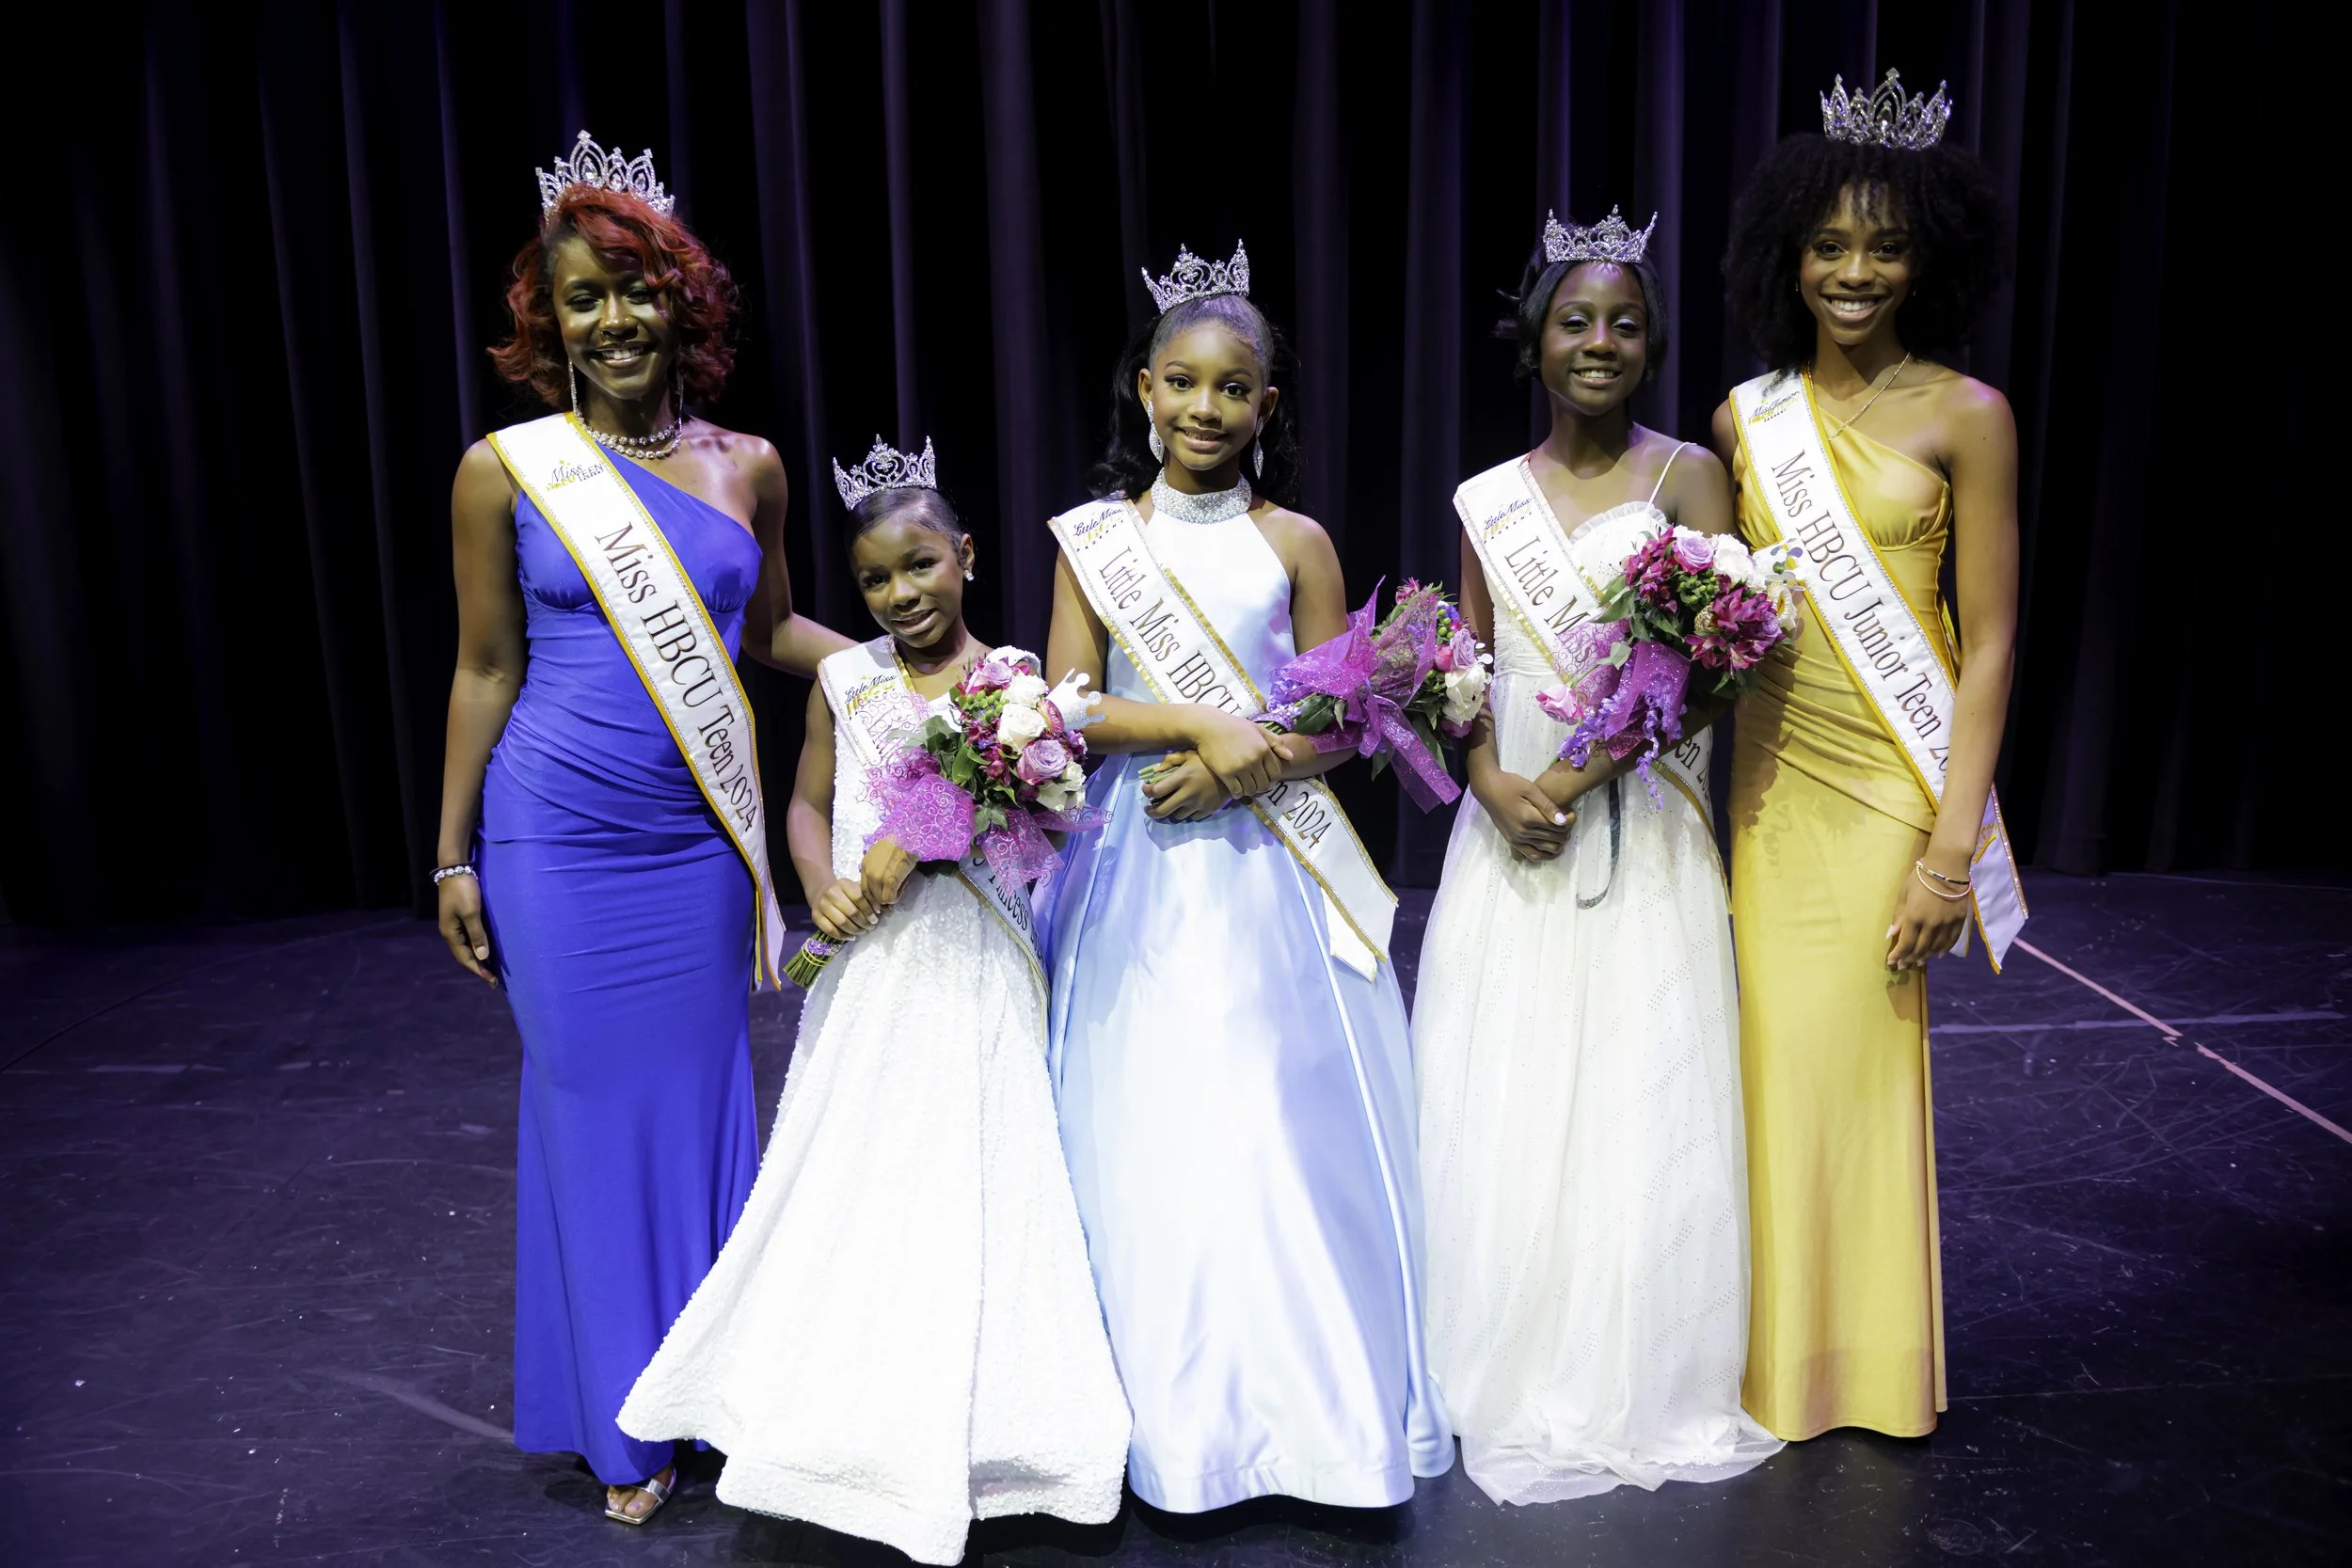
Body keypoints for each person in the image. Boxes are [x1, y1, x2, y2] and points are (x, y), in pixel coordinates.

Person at [431, 132, 849, 1524]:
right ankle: (627, 1417)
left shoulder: (751, 466)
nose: (613, 319)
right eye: (581, 296)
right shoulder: (505, 470)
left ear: (685, 301)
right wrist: (451, 853)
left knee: (702, 1106)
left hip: (693, 847)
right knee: (592, 1110)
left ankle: (717, 1382)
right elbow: (486, 665)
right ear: (544, 318)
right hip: (552, 837)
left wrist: (922, 666)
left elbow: (774, 626)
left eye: (636, 289)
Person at [618, 440, 1130, 1563]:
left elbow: (1036, 822)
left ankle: (989, 1433)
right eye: (877, 581)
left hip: (971, 961)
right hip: (868, 966)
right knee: (855, 1167)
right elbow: (803, 804)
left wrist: (930, 839)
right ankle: (830, 1408)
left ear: (965, 556)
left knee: (974, 1176)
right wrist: (818, 883)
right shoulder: (845, 680)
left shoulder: (1014, 685)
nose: (902, 594)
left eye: (921, 566)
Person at [1044, 243, 1452, 1513]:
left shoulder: (1299, 541)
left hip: (1270, 863)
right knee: (1146, 1113)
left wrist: (1246, 761)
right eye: (1182, 383)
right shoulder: (1097, 543)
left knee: (1270, 1111)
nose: (1205, 408)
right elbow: (1066, 706)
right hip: (1137, 869)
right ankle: (1159, 1417)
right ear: (1144, 390)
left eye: (1233, 387)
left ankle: (1301, 1416)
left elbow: (1349, 719)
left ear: (1266, 404)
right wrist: (1195, 730)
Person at [1417, 208, 1782, 1504]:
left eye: (1625, 320)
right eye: (1577, 319)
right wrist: (1488, 779)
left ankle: (1628, 1363)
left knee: (1636, 1095)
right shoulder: (1487, 500)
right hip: (1508, 827)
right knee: (1505, 1091)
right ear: (1536, 339)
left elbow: (1707, 673)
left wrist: (1566, 779)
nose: (1601, 341)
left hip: (1637, 823)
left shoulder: (1687, 475)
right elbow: (1461, 672)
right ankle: (1496, 1353)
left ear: (1651, 339)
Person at [1712, 71, 2022, 1442]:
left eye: (1884, 246)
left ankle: (1869, 1368)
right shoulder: (1743, 415)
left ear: (1926, 255)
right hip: (1774, 783)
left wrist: (1953, 849)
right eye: (1830, 243)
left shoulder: (1969, 412)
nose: (1854, 271)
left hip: (1894, 786)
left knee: (1863, 1067)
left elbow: (1994, 639)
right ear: (1791, 250)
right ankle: (1776, 1362)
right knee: (1772, 1068)